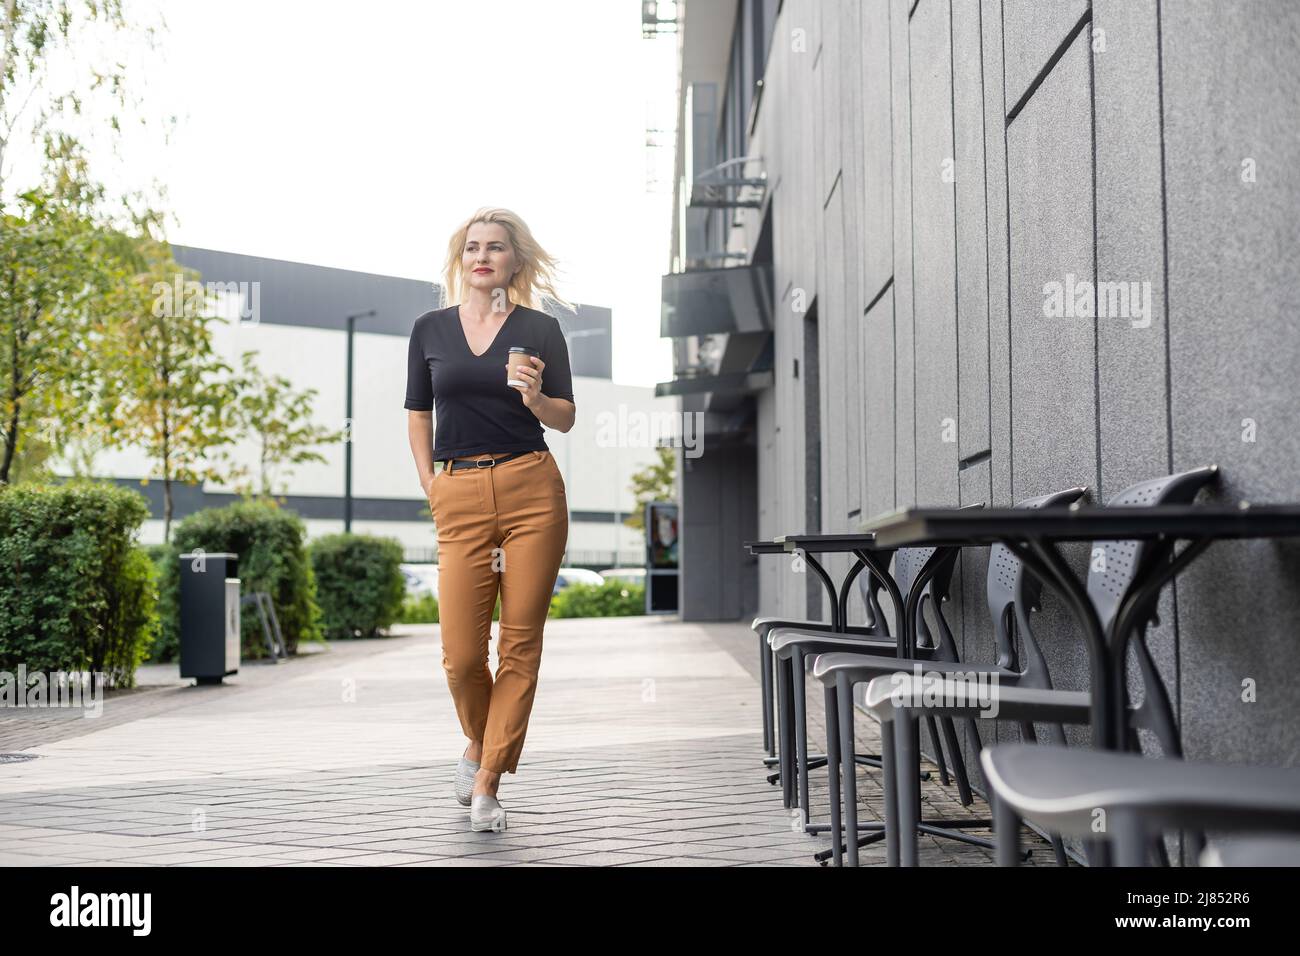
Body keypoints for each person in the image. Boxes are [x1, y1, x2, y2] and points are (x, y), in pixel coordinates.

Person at [404, 207, 575, 832]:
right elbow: (418, 413)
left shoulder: (540, 329)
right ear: (461, 259)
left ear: (515, 261)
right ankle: (480, 743)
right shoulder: (430, 329)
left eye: (496, 247)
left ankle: (487, 781)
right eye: (473, 246)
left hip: (531, 486)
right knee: (459, 656)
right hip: (458, 491)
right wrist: (430, 482)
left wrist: (533, 397)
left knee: (520, 643)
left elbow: (566, 417)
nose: (483, 256)